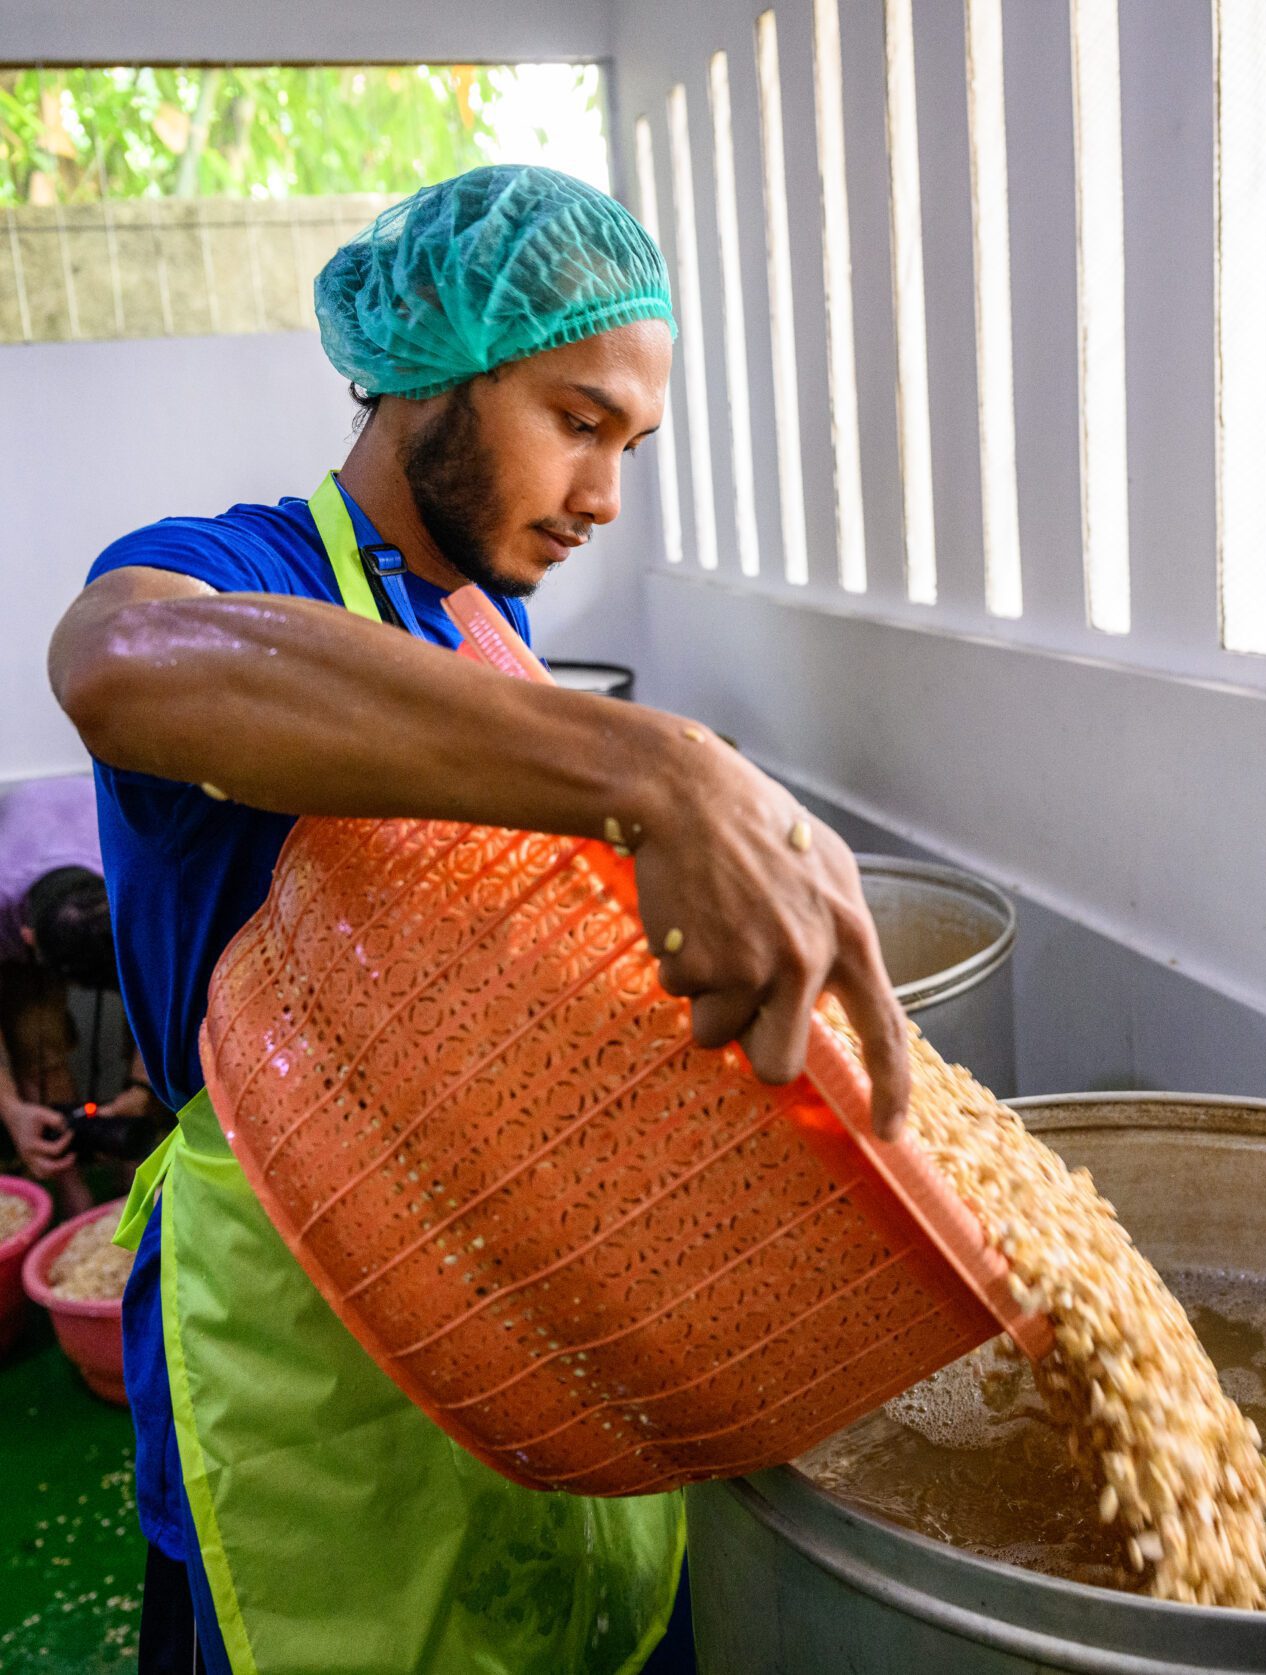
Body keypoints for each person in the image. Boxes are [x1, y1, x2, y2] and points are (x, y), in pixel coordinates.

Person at [47, 165, 910, 1675]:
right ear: (429, 372)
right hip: (301, 1347)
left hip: (520, 1317)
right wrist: (653, 761)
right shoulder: (243, 566)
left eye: (631, 444)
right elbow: (117, 656)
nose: (605, 498)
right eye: (578, 423)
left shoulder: (488, 634)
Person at [0, 775, 161, 1218]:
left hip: (101, 871)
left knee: (157, 1043)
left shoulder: (142, 872)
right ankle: (75, 1200)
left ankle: (137, 1184)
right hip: (24, 891)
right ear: (27, 939)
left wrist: (141, 1087)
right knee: (36, 1039)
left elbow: (160, 993)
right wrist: (11, 1108)